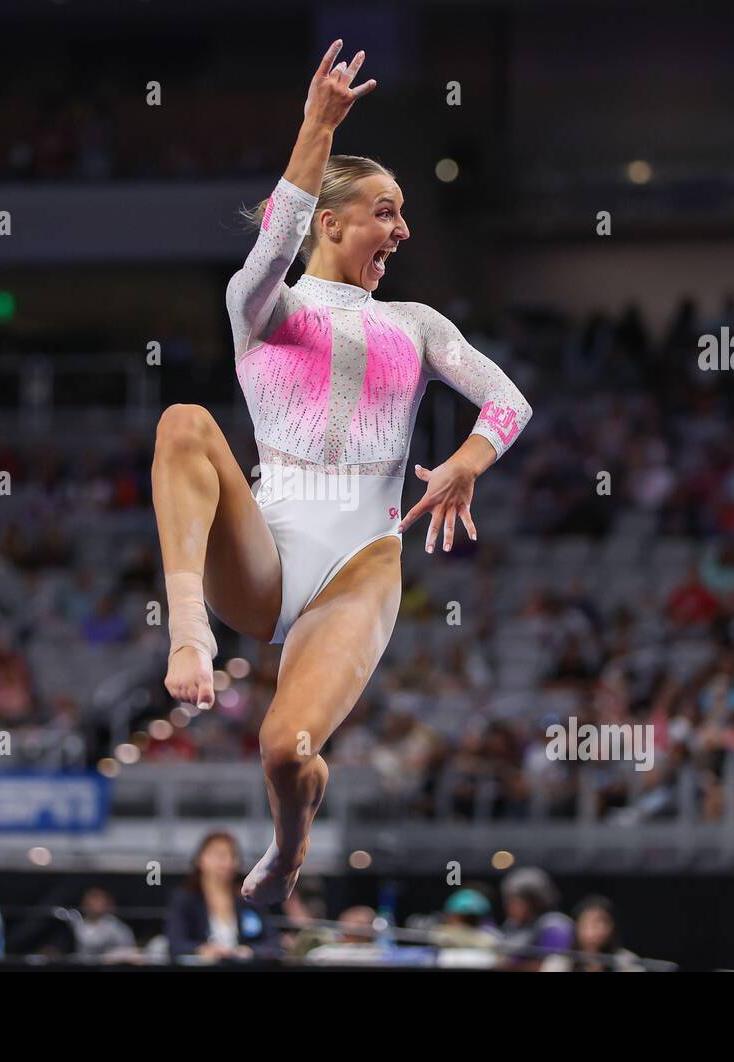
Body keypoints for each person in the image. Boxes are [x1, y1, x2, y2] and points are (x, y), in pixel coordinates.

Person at [152, 39, 532, 904]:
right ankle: (187, 630)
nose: (403, 230)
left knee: (286, 750)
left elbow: (508, 400)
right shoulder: (267, 309)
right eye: (386, 212)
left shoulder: (419, 321)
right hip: (267, 550)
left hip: (360, 566)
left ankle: (289, 849)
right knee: (183, 423)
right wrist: (315, 127)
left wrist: (469, 461)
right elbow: (266, 251)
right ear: (332, 222)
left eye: (403, 216)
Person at [165, 831, 279, 960]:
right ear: (200, 859)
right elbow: (175, 944)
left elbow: (272, 943)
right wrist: (202, 949)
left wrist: (249, 951)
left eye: (232, 855)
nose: (226, 861)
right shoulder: (184, 899)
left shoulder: (248, 898)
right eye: (219, 855)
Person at [540, 895, 642, 972]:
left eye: (604, 922)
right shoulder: (560, 962)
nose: (598, 929)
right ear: (577, 926)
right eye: (591, 922)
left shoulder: (626, 961)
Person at [74, 887, 136, 958]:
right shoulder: (75, 925)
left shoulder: (117, 927)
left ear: (107, 902)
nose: (93, 903)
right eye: (91, 898)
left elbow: (129, 952)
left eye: (98, 899)